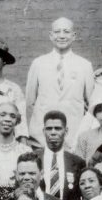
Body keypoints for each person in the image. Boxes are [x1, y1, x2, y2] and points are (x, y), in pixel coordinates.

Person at [24, 17, 95, 148]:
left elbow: (91, 105)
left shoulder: (85, 65)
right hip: (42, 137)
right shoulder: (38, 63)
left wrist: (82, 133)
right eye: (57, 32)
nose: (62, 36)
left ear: (74, 36)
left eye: (66, 32)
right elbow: (30, 102)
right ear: (51, 36)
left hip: (73, 136)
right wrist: (34, 133)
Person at [36, 111, 84, 200]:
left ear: (66, 131)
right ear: (43, 131)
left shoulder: (78, 162)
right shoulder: (33, 158)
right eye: (49, 129)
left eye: (57, 128)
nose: (53, 132)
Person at [0, 100, 30, 187]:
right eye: (2, 115)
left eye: (12, 116)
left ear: (17, 121)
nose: (7, 119)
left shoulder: (25, 151)